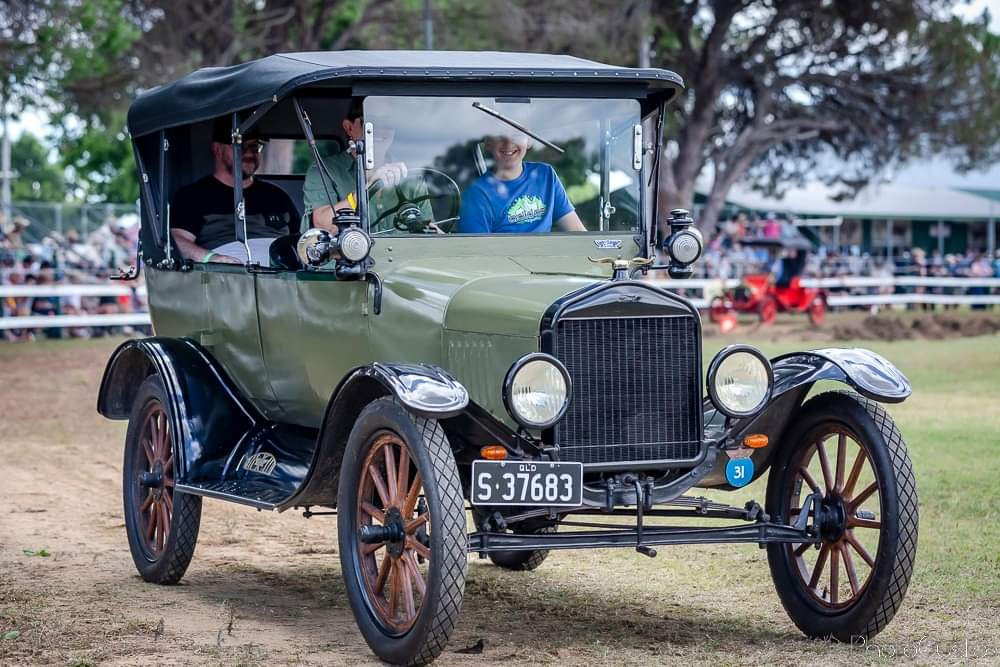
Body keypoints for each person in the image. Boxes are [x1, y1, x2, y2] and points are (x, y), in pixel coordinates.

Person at [170, 119, 299, 264]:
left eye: (255, 147)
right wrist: (211, 258)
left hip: (286, 276)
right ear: (217, 149)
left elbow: (302, 240)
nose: (250, 153)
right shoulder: (193, 196)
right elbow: (177, 240)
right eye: (241, 146)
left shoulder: (278, 196)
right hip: (228, 279)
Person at [302, 98, 432, 234]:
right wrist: (368, 190)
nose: (380, 129)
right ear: (349, 127)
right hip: (349, 255)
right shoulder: (324, 170)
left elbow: (429, 234)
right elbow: (323, 227)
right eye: (370, 122)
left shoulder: (411, 176)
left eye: (388, 122)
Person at [457, 131, 586, 234]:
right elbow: (479, 256)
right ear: (488, 143)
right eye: (500, 134)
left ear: (529, 140)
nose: (508, 142)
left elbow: (577, 233)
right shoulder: (475, 195)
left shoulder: (545, 175)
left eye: (517, 134)